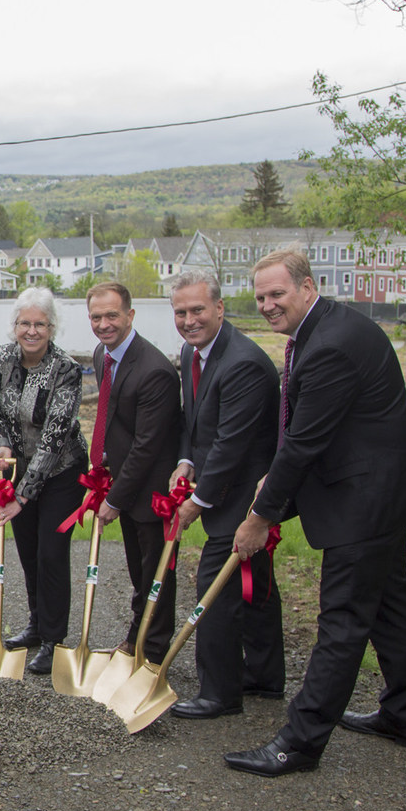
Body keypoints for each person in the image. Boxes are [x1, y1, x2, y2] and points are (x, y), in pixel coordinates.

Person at [225, 249, 406, 777]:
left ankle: (299, 743)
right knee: (390, 602)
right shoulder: (321, 329)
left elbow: (305, 443)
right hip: (383, 483)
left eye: (277, 294)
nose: (268, 305)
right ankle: (404, 716)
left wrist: (260, 517)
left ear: (307, 287)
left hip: (368, 497)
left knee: (343, 619)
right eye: (260, 297)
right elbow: (308, 432)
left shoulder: (330, 347)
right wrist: (272, 480)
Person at [162, 271, 285, 720]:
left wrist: (197, 503)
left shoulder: (243, 363)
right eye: (180, 312)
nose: (189, 320)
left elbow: (231, 445)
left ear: (219, 308)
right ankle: (266, 676)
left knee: (214, 590)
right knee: (257, 586)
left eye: (197, 310)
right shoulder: (192, 351)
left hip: (244, 496)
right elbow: (195, 421)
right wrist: (186, 461)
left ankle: (219, 692)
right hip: (224, 483)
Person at [0, 287, 87, 675]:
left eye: (40, 324)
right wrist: (2, 443)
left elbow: (54, 439)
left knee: (51, 553)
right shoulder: (2, 358)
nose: (31, 331)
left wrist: (21, 498)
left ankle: (54, 640)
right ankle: (37, 625)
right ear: (15, 326)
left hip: (61, 473)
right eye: (24, 323)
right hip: (18, 469)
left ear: (51, 328)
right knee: (28, 550)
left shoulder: (67, 370)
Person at [83, 280, 184, 663]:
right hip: (125, 481)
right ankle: (136, 639)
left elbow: (147, 446)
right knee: (137, 573)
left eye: (112, 315)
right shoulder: (103, 354)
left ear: (130, 315)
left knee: (156, 575)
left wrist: (114, 499)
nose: (103, 324)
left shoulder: (155, 370)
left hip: (152, 492)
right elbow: (114, 418)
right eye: (96, 317)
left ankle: (152, 651)